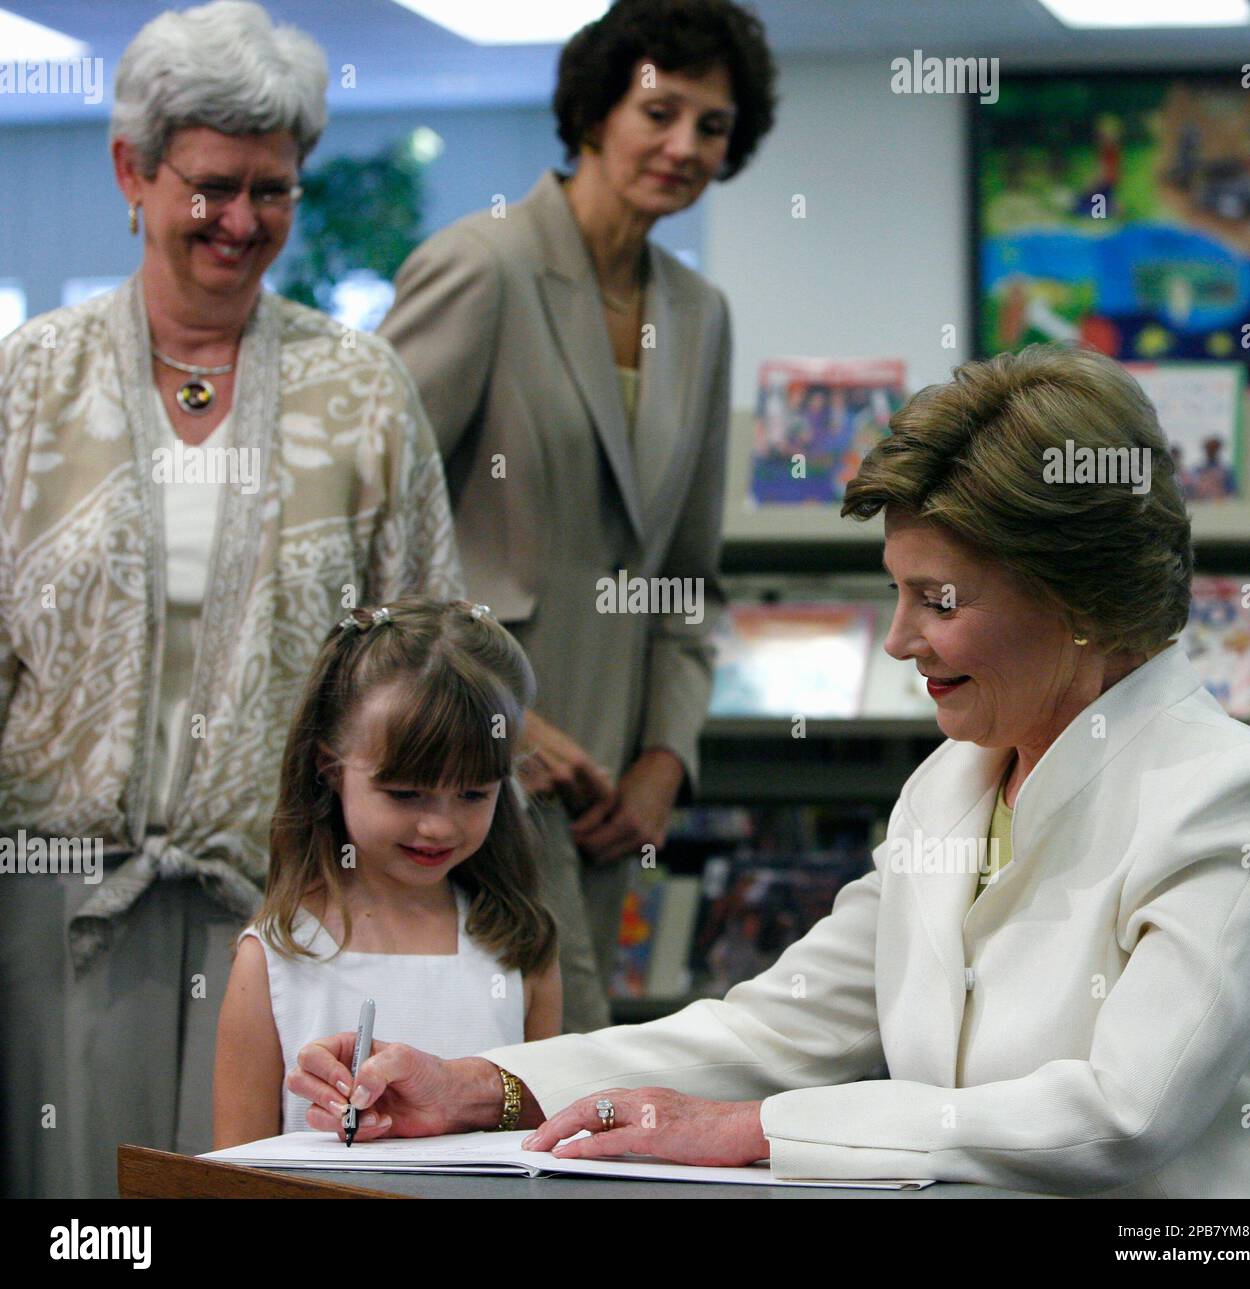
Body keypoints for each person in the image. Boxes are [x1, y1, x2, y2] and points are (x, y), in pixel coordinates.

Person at [289, 346, 1250, 1198]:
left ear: (1081, 598)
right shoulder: (950, 785)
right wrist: (480, 1084)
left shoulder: (1221, 798)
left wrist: (755, 1128)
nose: (901, 638)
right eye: (894, 595)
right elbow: (779, 1021)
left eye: (939, 601)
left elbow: (1122, 1114)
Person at [0, 1, 462, 1198]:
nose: (242, 221)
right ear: (132, 173)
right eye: (211, 185)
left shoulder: (359, 390)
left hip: (291, 906)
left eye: (274, 189)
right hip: (51, 908)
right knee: (76, 1208)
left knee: (251, 1203)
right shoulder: (28, 383)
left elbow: (425, 662)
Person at [378, 0, 777, 1032]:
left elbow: (692, 572)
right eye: (660, 111)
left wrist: (665, 763)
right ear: (596, 113)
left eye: (713, 125)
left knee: (567, 1075)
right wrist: (496, 713)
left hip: (608, 800)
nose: (683, 144)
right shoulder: (484, 264)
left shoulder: (702, 314)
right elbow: (365, 525)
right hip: (466, 776)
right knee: (499, 1083)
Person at [213, 599, 559, 1147]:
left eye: (473, 794)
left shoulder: (520, 945)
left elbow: (548, 1123)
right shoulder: (275, 960)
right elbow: (231, 1174)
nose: (439, 826)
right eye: (405, 793)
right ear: (330, 768)